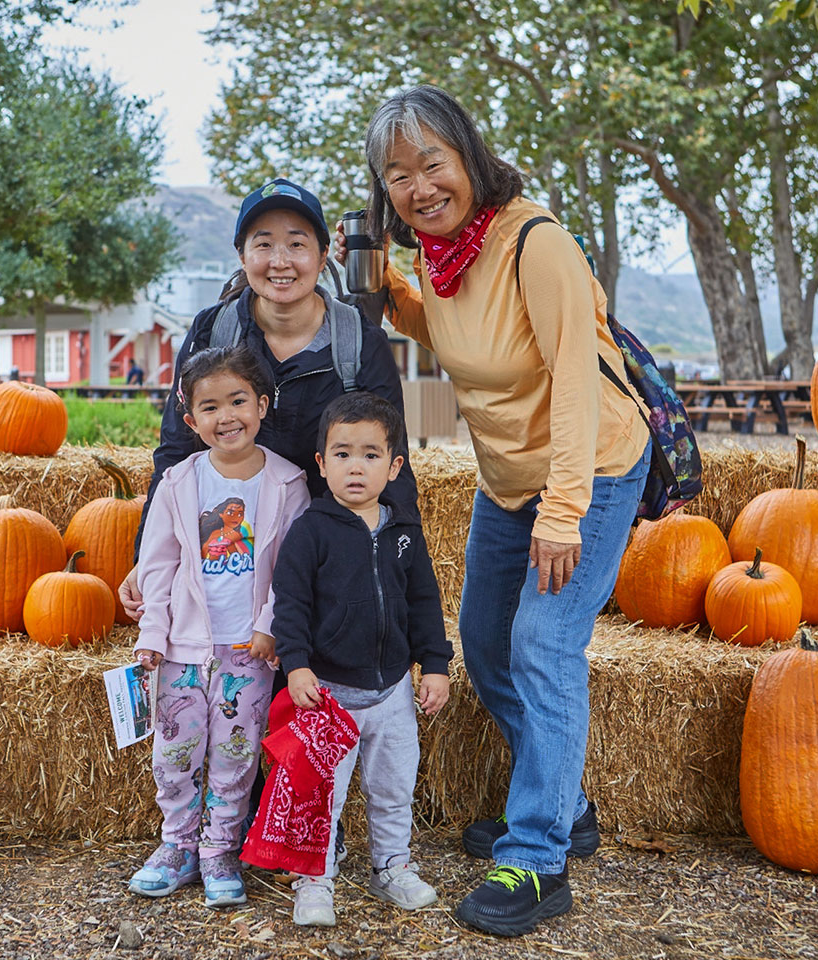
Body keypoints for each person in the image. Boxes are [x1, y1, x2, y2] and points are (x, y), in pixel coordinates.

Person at [339, 85, 651, 937]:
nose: (418, 186)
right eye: (397, 175)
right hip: (509, 480)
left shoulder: (533, 244)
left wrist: (564, 510)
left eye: (431, 163)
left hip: (589, 471)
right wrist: (385, 291)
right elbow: (458, 341)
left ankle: (539, 857)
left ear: (468, 157)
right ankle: (564, 801)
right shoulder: (446, 261)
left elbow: (578, 380)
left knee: (544, 644)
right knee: (483, 643)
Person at [118, 177, 419, 617]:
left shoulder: (358, 342)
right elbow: (175, 454)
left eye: (297, 244)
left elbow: (394, 467)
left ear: (320, 257)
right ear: (242, 256)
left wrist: (401, 579)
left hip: (327, 561)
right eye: (264, 245)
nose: (281, 262)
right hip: (226, 562)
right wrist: (148, 556)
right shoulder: (212, 332)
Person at [128, 344, 312, 908]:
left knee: (236, 755)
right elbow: (158, 564)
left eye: (237, 401)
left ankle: (219, 849)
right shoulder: (181, 482)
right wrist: (153, 635)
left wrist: (268, 626)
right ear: (190, 420)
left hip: (247, 653)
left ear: (262, 405)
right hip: (184, 648)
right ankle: (177, 845)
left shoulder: (286, 483)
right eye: (209, 407)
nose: (225, 416)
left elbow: (293, 569)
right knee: (175, 752)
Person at [264, 391, 453, 927]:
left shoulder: (403, 533)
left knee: (394, 788)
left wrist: (435, 664)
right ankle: (315, 880)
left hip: (392, 692)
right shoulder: (311, 531)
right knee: (322, 797)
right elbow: (291, 603)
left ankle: (391, 867)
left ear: (394, 466)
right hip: (329, 696)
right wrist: (296, 663)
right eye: (342, 453)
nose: (355, 466)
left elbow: (424, 603)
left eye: (371, 454)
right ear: (321, 464)